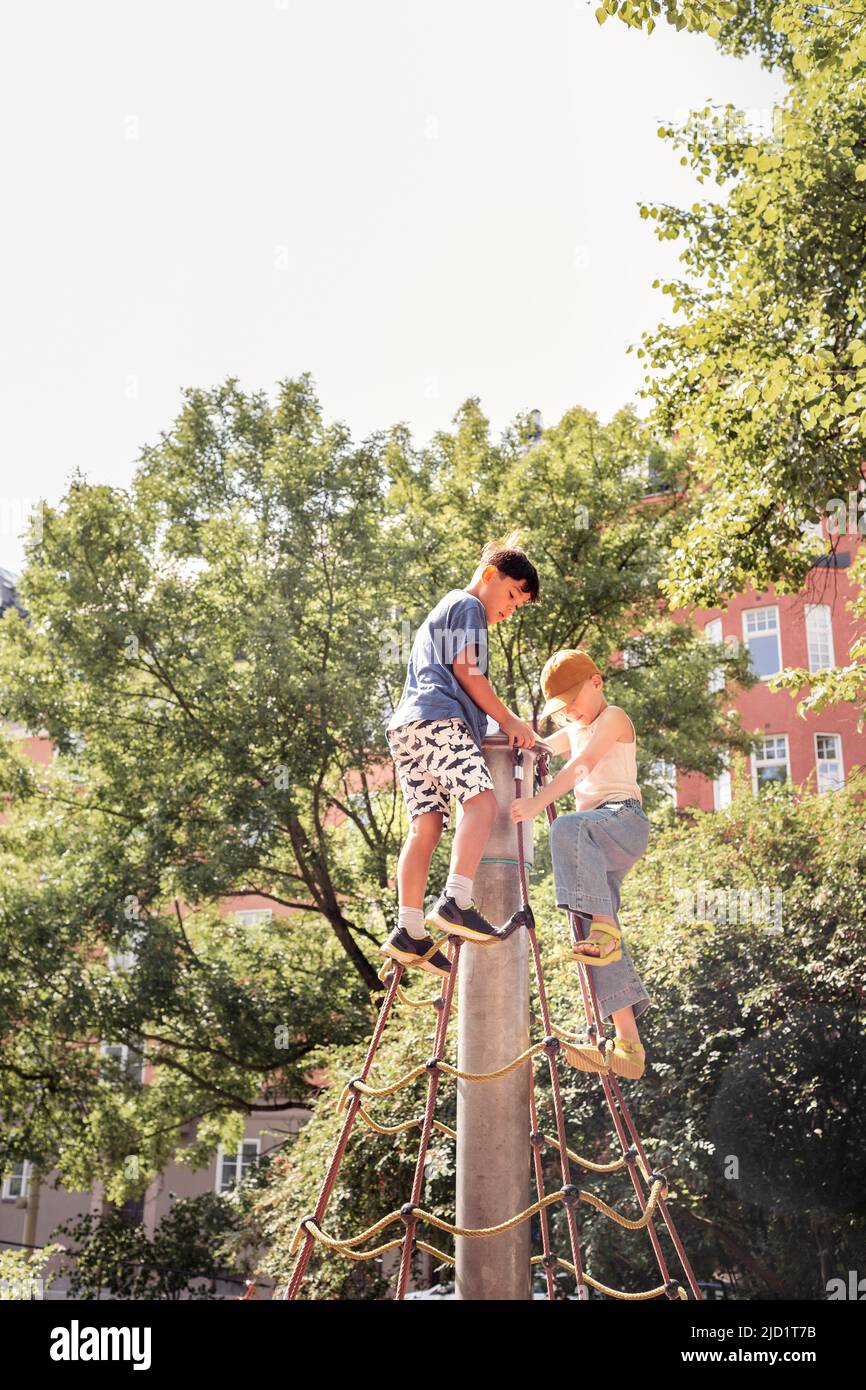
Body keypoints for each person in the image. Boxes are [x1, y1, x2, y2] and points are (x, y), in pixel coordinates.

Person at [381, 531, 545, 978]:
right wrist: (511, 721)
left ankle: (409, 928)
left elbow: (454, 675)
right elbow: (468, 672)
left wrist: (493, 725)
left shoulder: (444, 611)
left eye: (516, 608)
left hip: (407, 728)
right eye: (510, 595)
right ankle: (456, 898)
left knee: (426, 826)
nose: (508, 610)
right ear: (489, 575)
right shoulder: (468, 605)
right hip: (437, 721)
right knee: (481, 803)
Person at [509, 649, 651, 1079]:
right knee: (591, 937)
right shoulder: (575, 728)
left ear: (597, 682)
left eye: (573, 699)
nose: (569, 711)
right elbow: (536, 750)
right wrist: (503, 734)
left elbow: (582, 765)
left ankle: (604, 927)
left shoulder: (613, 718)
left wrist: (536, 803)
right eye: (561, 707)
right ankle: (628, 1047)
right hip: (598, 839)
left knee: (565, 828)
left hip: (622, 821)